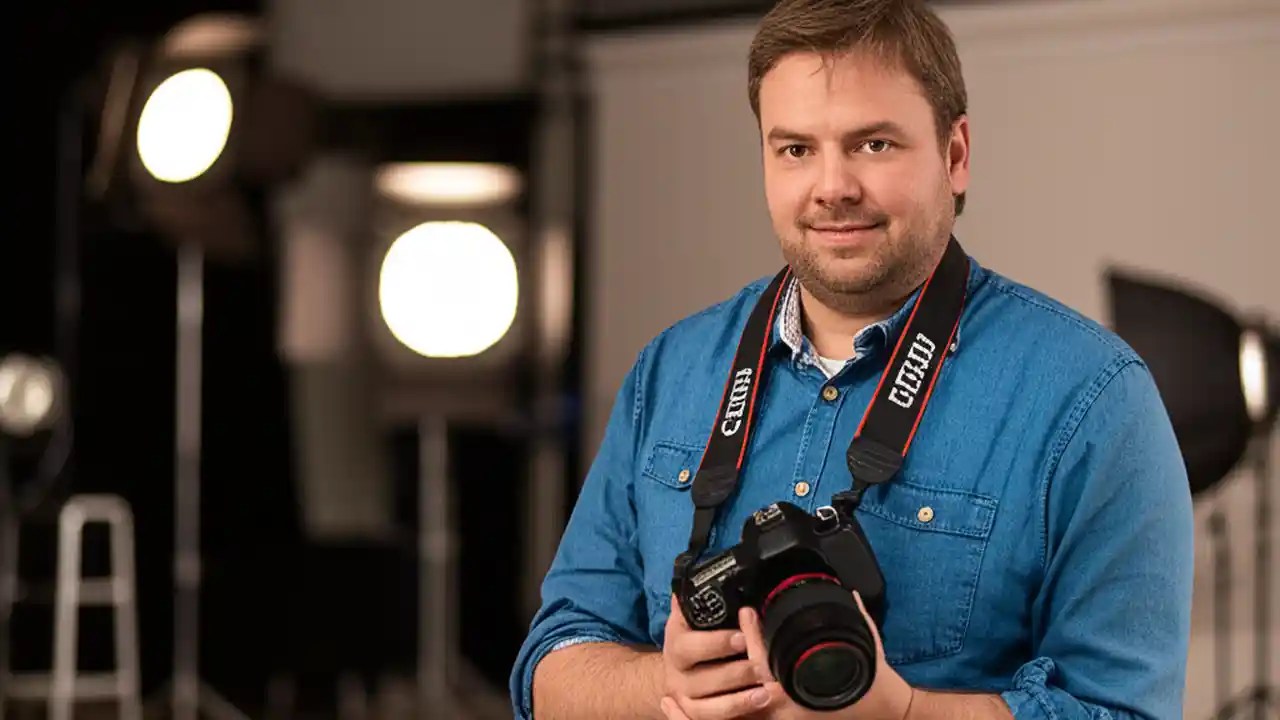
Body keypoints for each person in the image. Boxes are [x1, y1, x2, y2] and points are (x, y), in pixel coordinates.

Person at [510, 0, 1194, 717]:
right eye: (796, 149)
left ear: (955, 156)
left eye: (873, 144)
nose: (831, 187)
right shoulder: (671, 373)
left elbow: (1124, 711)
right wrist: (664, 686)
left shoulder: (1090, 397)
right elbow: (551, 665)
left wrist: (899, 713)